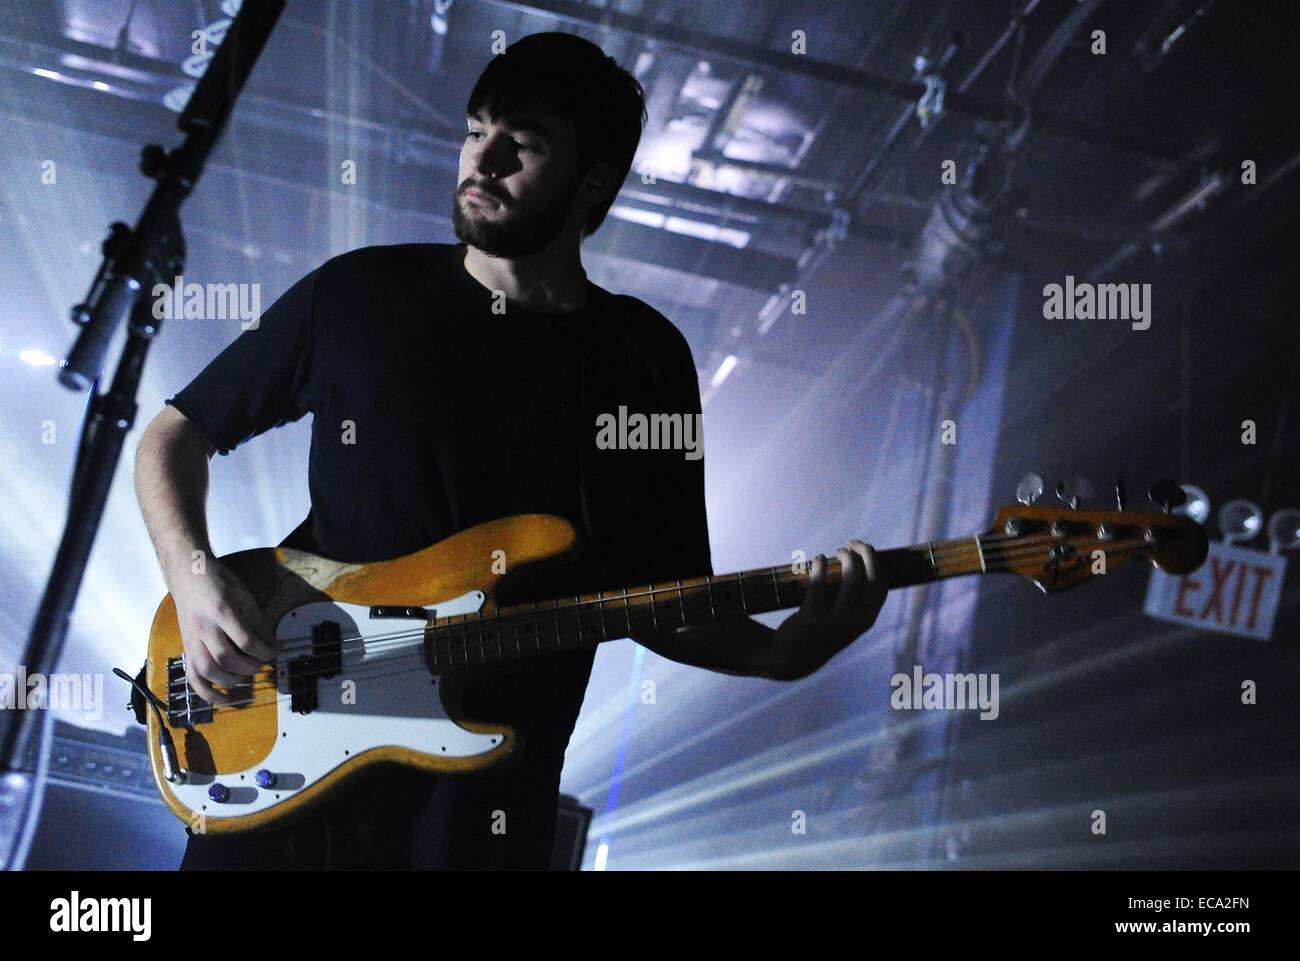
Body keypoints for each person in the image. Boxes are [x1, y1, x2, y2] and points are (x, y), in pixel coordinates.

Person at [133, 32, 887, 870]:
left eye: (521, 144)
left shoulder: (643, 356)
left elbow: (665, 595)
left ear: (593, 183)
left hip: (480, 810)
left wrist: (788, 652)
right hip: (283, 757)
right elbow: (175, 433)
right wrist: (195, 582)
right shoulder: (361, 292)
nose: (481, 160)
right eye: (474, 129)